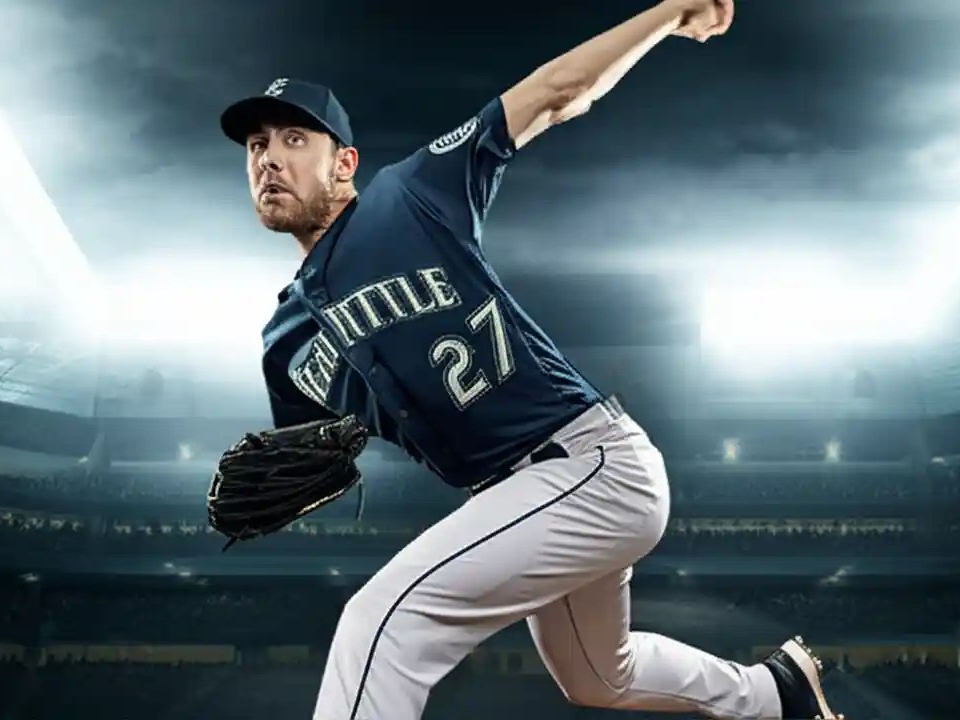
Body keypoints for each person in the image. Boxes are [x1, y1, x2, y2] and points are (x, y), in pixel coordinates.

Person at [218, 1, 839, 718]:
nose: (268, 156)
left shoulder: (407, 197)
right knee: (599, 677)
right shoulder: (283, 341)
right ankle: (775, 693)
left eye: (295, 138)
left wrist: (668, 13)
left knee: (382, 620)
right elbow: (304, 459)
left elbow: (551, 95)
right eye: (256, 145)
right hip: (521, 498)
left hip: (592, 464)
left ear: (345, 163)